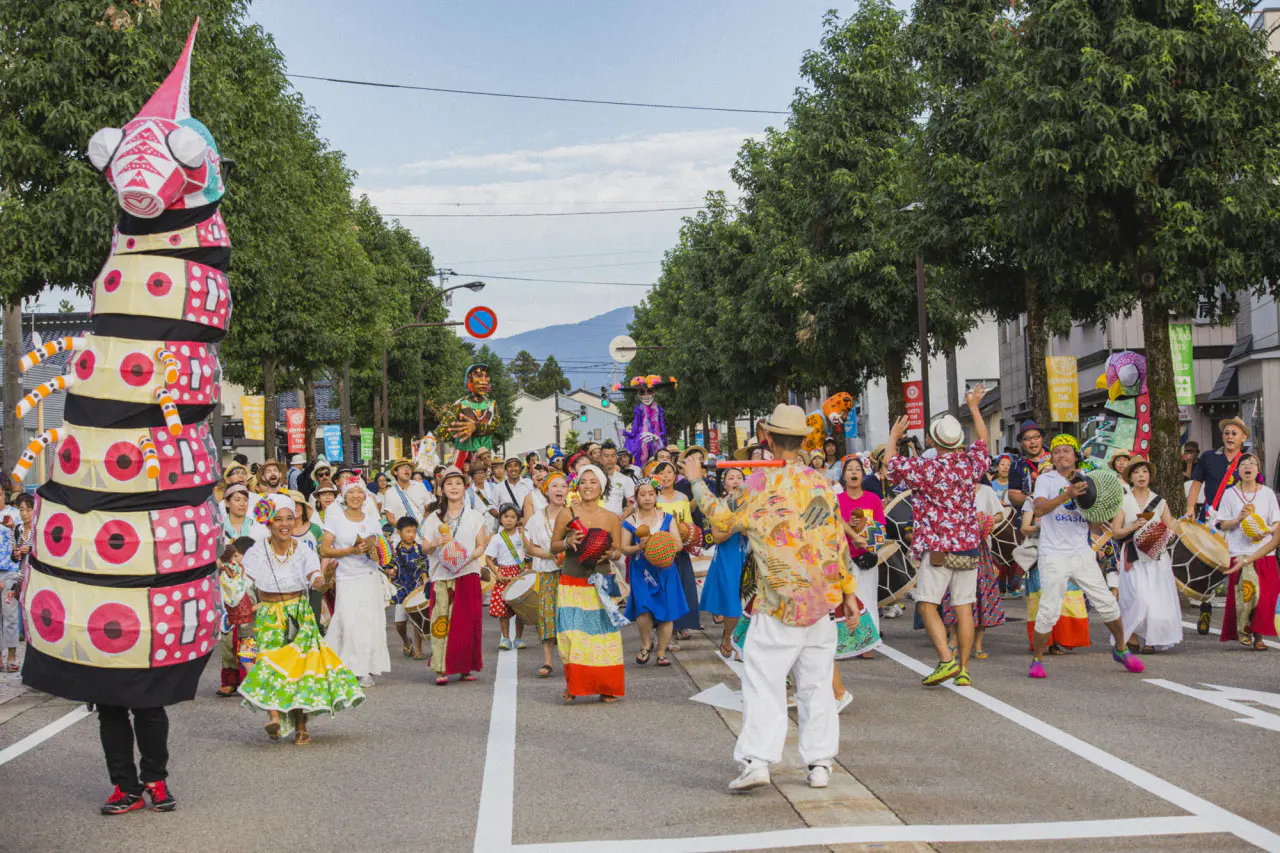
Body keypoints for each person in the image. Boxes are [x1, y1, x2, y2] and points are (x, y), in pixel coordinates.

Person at [683, 405, 858, 792]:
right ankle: (820, 763)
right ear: (802, 440)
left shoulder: (757, 485)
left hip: (778, 601)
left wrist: (695, 480)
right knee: (815, 686)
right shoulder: (821, 482)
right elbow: (836, 540)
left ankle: (759, 760)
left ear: (766, 437)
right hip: (820, 600)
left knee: (764, 683)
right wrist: (848, 591)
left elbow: (718, 518)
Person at [884, 385, 990, 688]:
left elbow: (890, 466)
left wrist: (894, 436)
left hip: (939, 547)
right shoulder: (970, 463)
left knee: (927, 603)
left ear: (934, 440)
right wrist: (973, 407)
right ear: (957, 440)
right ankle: (965, 669)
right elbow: (982, 440)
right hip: (969, 545)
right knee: (963, 606)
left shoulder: (927, 468)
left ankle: (946, 660)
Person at [239, 494, 364, 744]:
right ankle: (274, 716)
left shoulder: (304, 551)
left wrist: (327, 577)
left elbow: (317, 582)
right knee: (269, 665)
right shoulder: (256, 551)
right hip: (268, 614)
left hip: (298, 613)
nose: (285, 524)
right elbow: (243, 583)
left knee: (299, 671)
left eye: (290, 519)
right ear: (268, 523)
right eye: (278, 520)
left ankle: (300, 726)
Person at [1029, 434, 1145, 679]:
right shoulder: (1046, 480)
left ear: (1075, 456)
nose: (1061, 455)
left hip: (1082, 553)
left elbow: (1093, 523)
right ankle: (1037, 659)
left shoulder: (1089, 480)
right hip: (1053, 554)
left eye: (1066, 451)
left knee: (1107, 603)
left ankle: (1121, 649)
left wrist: (1101, 510)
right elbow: (1039, 509)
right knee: (1049, 609)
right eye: (1057, 451)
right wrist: (1067, 495)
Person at [550, 465, 626, 703]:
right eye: (583, 481)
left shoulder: (611, 518)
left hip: (602, 583)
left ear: (601, 487)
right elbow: (553, 545)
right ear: (577, 486)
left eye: (593, 482)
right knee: (572, 635)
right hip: (572, 581)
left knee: (603, 637)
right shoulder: (566, 513)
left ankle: (607, 686)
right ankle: (575, 685)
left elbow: (618, 551)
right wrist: (567, 541)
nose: (588, 486)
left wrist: (609, 555)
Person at [319, 481, 392, 687]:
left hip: (369, 577)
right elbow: (324, 550)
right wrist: (349, 551)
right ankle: (342, 667)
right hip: (346, 578)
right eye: (351, 492)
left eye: (360, 492)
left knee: (369, 624)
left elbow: (380, 549)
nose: (355, 496)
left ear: (366, 496)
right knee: (348, 623)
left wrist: (371, 546)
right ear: (343, 495)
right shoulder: (335, 519)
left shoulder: (372, 521)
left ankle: (364, 669)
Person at [423, 467, 489, 685]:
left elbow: (481, 545)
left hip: (467, 573)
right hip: (441, 575)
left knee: (466, 622)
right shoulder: (434, 517)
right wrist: (435, 543)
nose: (453, 487)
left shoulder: (474, 516)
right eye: (449, 484)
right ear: (442, 489)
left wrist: (468, 558)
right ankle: (441, 668)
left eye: (458, 483)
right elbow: (424, 547)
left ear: (465, 487)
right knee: (441, 620)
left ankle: (464, 667)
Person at [1110, 459, 1183, 653]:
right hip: (1133, 557)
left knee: (1156, 599)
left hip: (1156, 556)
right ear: (1131, 477)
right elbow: (1115, 531)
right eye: (1137, 472)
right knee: (1136, 598)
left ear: (1150, 476)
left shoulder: (1160, 502)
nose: (1141, 476)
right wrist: (1133, 527)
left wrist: (1156, 531)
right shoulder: (1123, 501)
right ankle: (1131, 633)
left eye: (1144, 472)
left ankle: (1151, 640)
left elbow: (1171, 531)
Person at [1214, 453, 1280, 649]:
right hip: (1239, 552)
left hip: (1264, 551)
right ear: (1238, 470)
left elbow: (1276, 521)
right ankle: (1246, 633)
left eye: (1252, 463)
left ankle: (1259, 637)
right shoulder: (1229, 494)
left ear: (1258, 470)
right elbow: (1220, 524)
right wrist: (1237, 519)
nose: (1248, 466)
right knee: (1246, 597)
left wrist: (1267, 531)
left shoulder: (1267, 493)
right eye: (1243, 464)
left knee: (1265, 597)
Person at [623, 477, 690, 666]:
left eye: (651, 494)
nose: (647, 498)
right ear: (636, 497)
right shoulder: (630, 521)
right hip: (641, 570)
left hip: (665, 569)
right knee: (643, 609)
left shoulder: (667, 518)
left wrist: (660, 543)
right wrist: (639, 548)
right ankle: (645, 645)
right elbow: (623, 548)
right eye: (642, 494)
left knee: (668, 612)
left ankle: (661, 652)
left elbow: (678, 544)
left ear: (656, 496)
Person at [939, 481, 1008, 660]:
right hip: (955, 547)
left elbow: (1000, 514)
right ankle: (954, 638)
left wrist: (986, 519)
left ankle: (978, 643)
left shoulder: (986, 491)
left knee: (981, 594)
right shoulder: (951, 489)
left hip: (981, 550)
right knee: (953, 593)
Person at [521, 471, 569, 678]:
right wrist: (552, 555)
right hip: (548, 571)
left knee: (570, 614)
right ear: (546, 491)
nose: (559, 490)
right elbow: (530, 547)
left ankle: (572, 660)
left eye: (563, 486)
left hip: (571, 572)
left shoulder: (573, 514)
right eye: (554, 486)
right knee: (547, 614)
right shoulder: (537, 518)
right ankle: (548, 661)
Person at [836, 456, 885, 659]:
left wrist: (864, 533)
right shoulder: (837, 501)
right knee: (846, 600)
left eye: (857, 469)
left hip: (866, 557)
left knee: (868, 599)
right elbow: (832, 527)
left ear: (863, 475)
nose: (854, 473)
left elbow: (881, 529)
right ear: (844, 475)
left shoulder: (873, 499)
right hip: (843, 558)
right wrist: (850, 532)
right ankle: (848, 640)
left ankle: (867, 642)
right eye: (850, 470)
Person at [701, 468, 749, 658]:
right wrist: (734, 525)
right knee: (732, 601)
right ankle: (729, 636)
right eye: (731, 478)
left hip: (748, 554)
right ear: (724, 483)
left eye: (739, 477)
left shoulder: (751, 503)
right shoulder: (718, 505)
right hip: (727, 556)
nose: (736, 481)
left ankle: (741, 642)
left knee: (749, 603)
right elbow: (717, 537)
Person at [653, 460, 701, 639]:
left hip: (680, 547)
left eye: (669, 472)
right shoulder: (654, 498)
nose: (666, 476)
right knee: (666, 590)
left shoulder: (682, 497)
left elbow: (688, 521)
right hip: (661, 549)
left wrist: (687, 536)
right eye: (662, 473)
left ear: (675, 476)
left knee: (684, 587)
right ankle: (667, 629)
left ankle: (683, 625)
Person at [1186, 417, 1253, 523]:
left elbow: (1254, 491)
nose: (1230, 436)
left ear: (1243, 438)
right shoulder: (1208, 457)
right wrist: (1190, 508)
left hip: (1236, 519)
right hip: (1210, 516)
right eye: (1226, 433)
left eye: (1234, 433)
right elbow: (1196, 485)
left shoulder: (1248, 461)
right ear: (1222, 437)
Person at [215, 538, 256, 698]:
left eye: (237, 556)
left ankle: (250, 683)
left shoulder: (252, 578)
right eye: (231, 557)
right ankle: (230, 681)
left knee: (246, 653)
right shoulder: (227, 575)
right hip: (229, 618)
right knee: (227, 647)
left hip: (248, 622)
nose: (233, 561)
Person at [485, 504, 529, 651]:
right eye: (506, 517)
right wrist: (497, 573)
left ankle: (518, 638)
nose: (509, 520)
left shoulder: (522, 534)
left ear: (517, 519)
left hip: (520, 573)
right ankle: (505, 638)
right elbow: (489, 559)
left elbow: (530, 550)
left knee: (520, 609)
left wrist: (524, 535)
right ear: (500, 519)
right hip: (503, 574)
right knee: (503, 610)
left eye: (513, 517)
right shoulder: (496, 538)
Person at [390, 517, 428, 660]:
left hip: (416, 589)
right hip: (401, 590)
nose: (411, 534)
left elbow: (425, 565)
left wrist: (425, 579)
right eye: (408, 531)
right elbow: (388, 566)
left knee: (417, 621)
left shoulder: (420, 549)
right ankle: (406, 640)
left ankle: (418, 650)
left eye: (413, 531)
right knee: (400, 623)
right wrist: (390, 571)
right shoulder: (393, 550)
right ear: (399, 532)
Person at [1006, 420, 1049, 510]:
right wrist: (1034, 498)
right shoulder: (1017, 465)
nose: (1033, 442)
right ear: (1021, 443)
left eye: (1036, 437)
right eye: (1027, 439)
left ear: (1042, 438)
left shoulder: (1055, 457)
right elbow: (1013, 496)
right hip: (1030, 516)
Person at [381, 458, 431, 528]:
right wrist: (404, 529)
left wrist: (425, 525)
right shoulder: (389, 493)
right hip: (400, 536)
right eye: (402, 467)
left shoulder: (420, 486)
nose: (407, 469)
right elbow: (390, 518)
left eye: (408, 468)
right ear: (395, 472)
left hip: (422, 534)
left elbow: (428, 509)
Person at [599, 441, 636, 516]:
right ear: (600, 459)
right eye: (606, 456)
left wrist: (622, 517)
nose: (610, 459)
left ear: (616, 458)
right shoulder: (594, 478)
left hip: (617, 523)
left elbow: (633, 502)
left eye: (613, 456)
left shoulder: (625, 479)